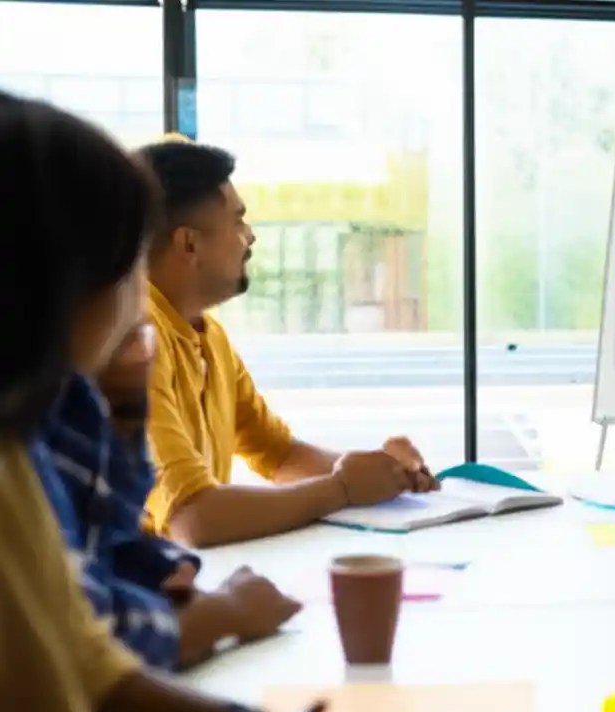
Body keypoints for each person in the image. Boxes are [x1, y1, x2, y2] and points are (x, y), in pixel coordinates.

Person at [0, 90, 293, 712]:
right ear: (61, 282)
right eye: (131, 256)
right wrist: (227, 611)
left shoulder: (25, 434)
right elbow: (100, 641)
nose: (143, 282)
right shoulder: (30, 441)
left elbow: (90, 658)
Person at [136, 140, 439, 547]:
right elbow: (194, 519)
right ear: (189, 244)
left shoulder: (205, 334)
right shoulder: (135, 343)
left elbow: (280, 455)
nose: (250, 236)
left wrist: (383, 472)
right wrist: (343, 489)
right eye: (238, 221)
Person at [38, 321, 300, 670]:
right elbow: (78, 646)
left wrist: (160, 566)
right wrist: (226, 612)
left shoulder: (75, 392)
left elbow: (101, 533)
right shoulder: (25, 427)